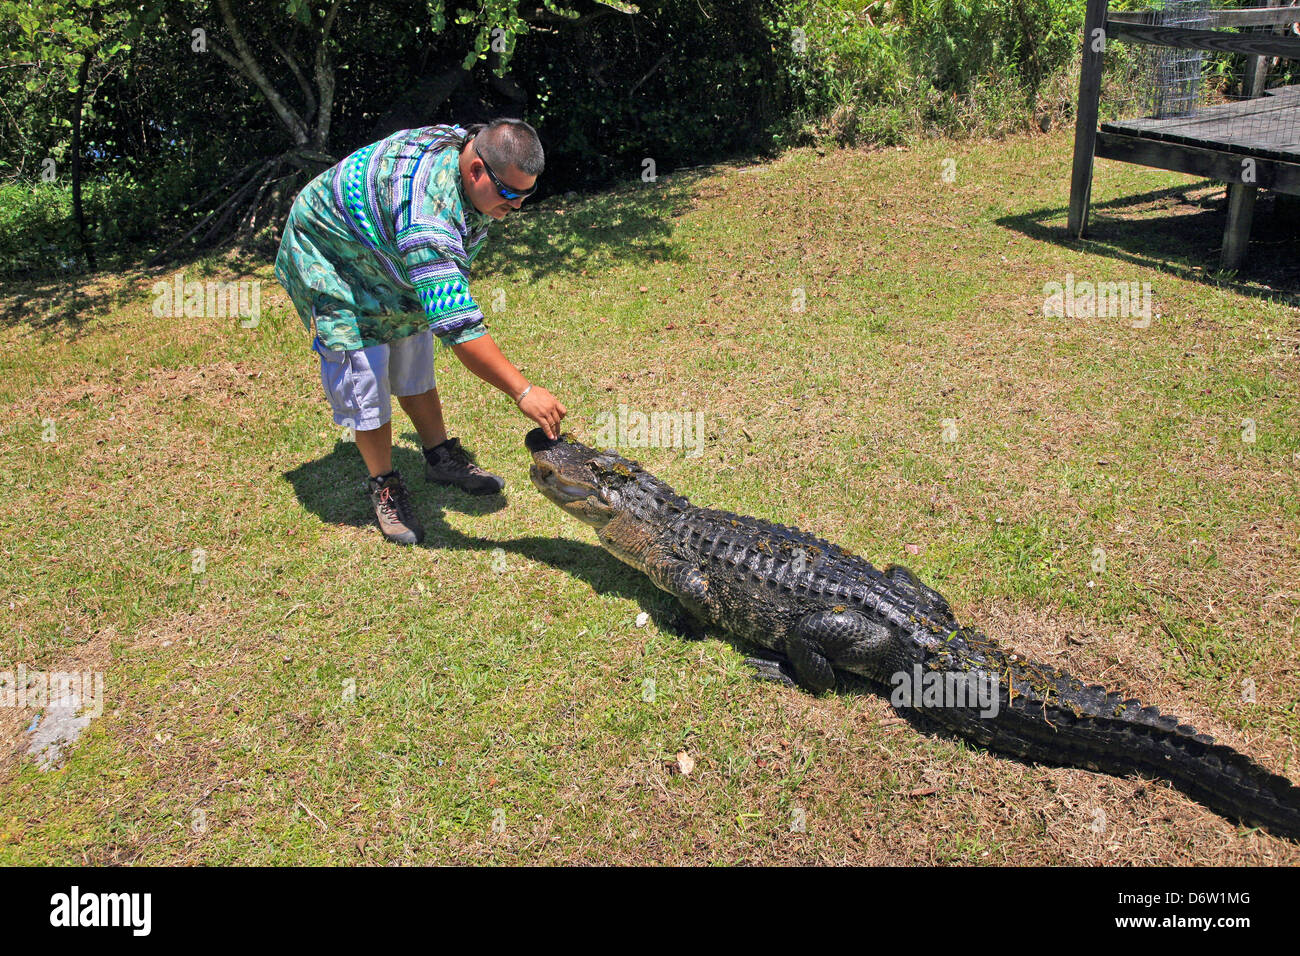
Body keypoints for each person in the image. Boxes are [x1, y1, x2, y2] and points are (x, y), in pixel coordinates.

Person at [274, 118, 567, 545]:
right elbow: (459, 326)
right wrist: (524, 391)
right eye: (508, 193)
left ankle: (439, 457)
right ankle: (384, 483)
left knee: (411, 342)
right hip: (328, 250)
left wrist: (503, 195)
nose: (517, 205)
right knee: (365, 368)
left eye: (527, 193)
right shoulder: (425, 221)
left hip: (380, 243)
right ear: (476, 171)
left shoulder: (463, 142)